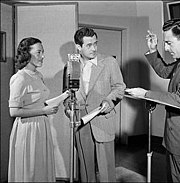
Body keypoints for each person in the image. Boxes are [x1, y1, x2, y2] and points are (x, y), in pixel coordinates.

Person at [126, 18, 180, 182]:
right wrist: (153, 50)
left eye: (169, 43)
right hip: (177, 139)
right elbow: (165, 71)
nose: (166, 48)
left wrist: (145, 94)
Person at [63, 27, 126, 182]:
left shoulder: (109, 62)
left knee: (106, 170)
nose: (94, 48)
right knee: (85, 167)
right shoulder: (71, 65)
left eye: (95, 44)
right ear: (78, 47)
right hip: (81, 120)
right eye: (89, 45)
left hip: (102, 119)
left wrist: (108, 101)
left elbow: (120, 87)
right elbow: (67, 94)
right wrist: (68, 109)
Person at [8, 37, 60, 182]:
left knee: (41, 169)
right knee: (29, 171)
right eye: (38, 52)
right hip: (27, 129)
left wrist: (51, 104)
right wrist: (44, 111)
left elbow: (37, 102)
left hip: (41, 127)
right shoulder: (19, 78)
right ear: (27, 54)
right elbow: (14, 111)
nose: (42, 56)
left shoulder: (38, 75)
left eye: (43, 52)